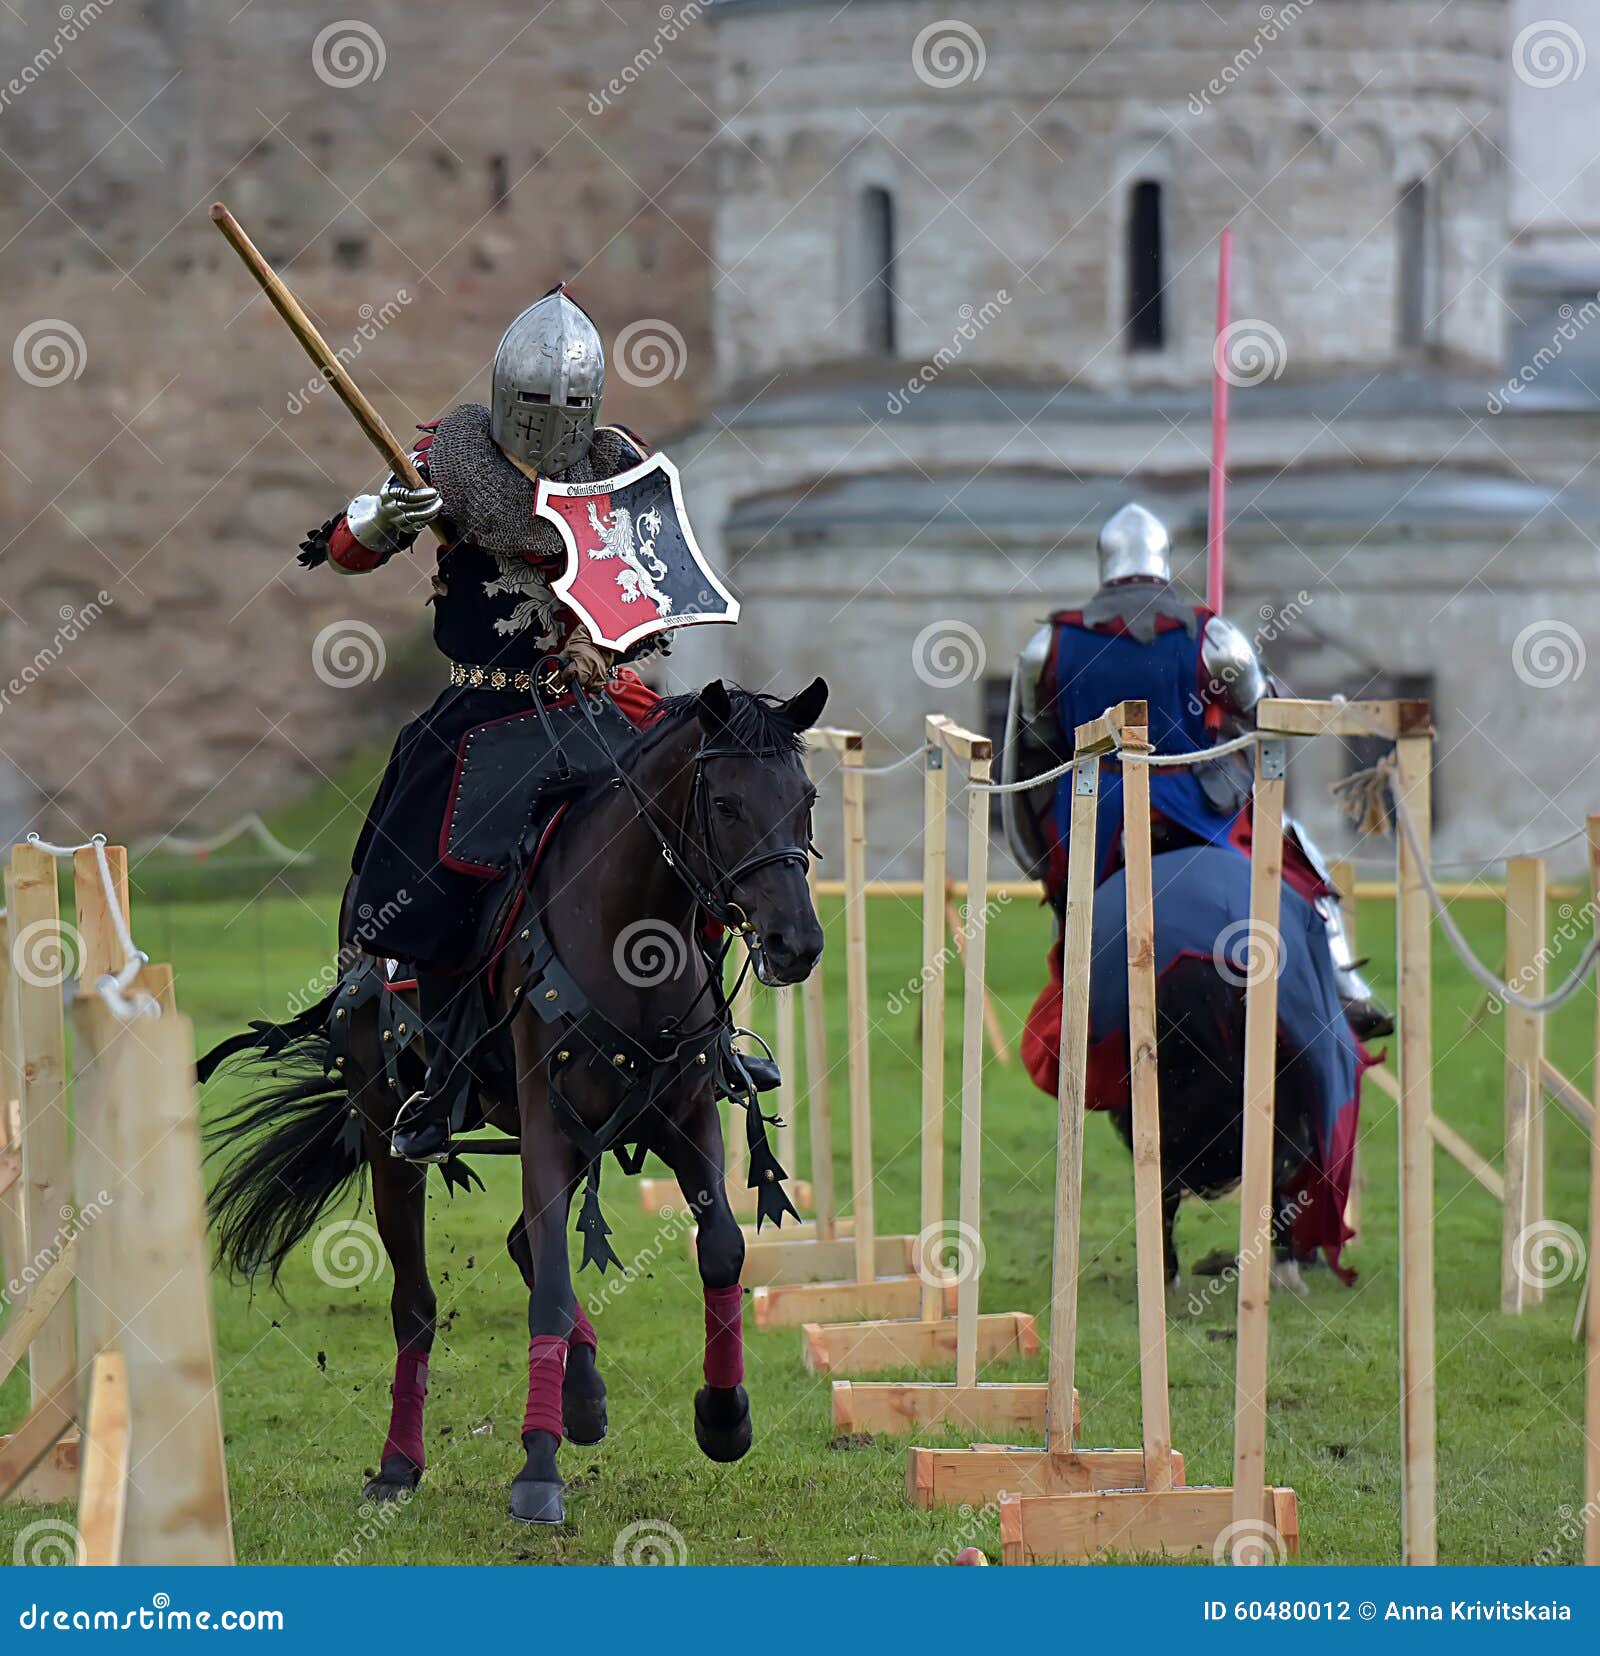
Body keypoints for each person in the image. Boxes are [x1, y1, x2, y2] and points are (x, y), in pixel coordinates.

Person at [298, 284, 670, 1161]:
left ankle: (703, 1046)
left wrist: (598, 651)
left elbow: (643, 595)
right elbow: (344, 553)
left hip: (583, 706)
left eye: (568, 405)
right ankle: (433, 1066)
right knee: (433, 879)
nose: (552, 421)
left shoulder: (617, 469)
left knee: (677, 835)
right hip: (479, 712)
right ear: (507, 396)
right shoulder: (449, 457)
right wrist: (394, 512)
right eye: (537, 403)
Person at [1000, 500, 1393, 1041]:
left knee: (1074, 893)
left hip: (1094, 813)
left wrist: (1042, 857)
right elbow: (1262, 712)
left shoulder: (1048, 645)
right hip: (1194, 805)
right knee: (1292, 845)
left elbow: (1034, 749)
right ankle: (1346, 986)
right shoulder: (1212, 636)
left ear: (1104, 564)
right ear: (1163, 562)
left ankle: (1074, 962)